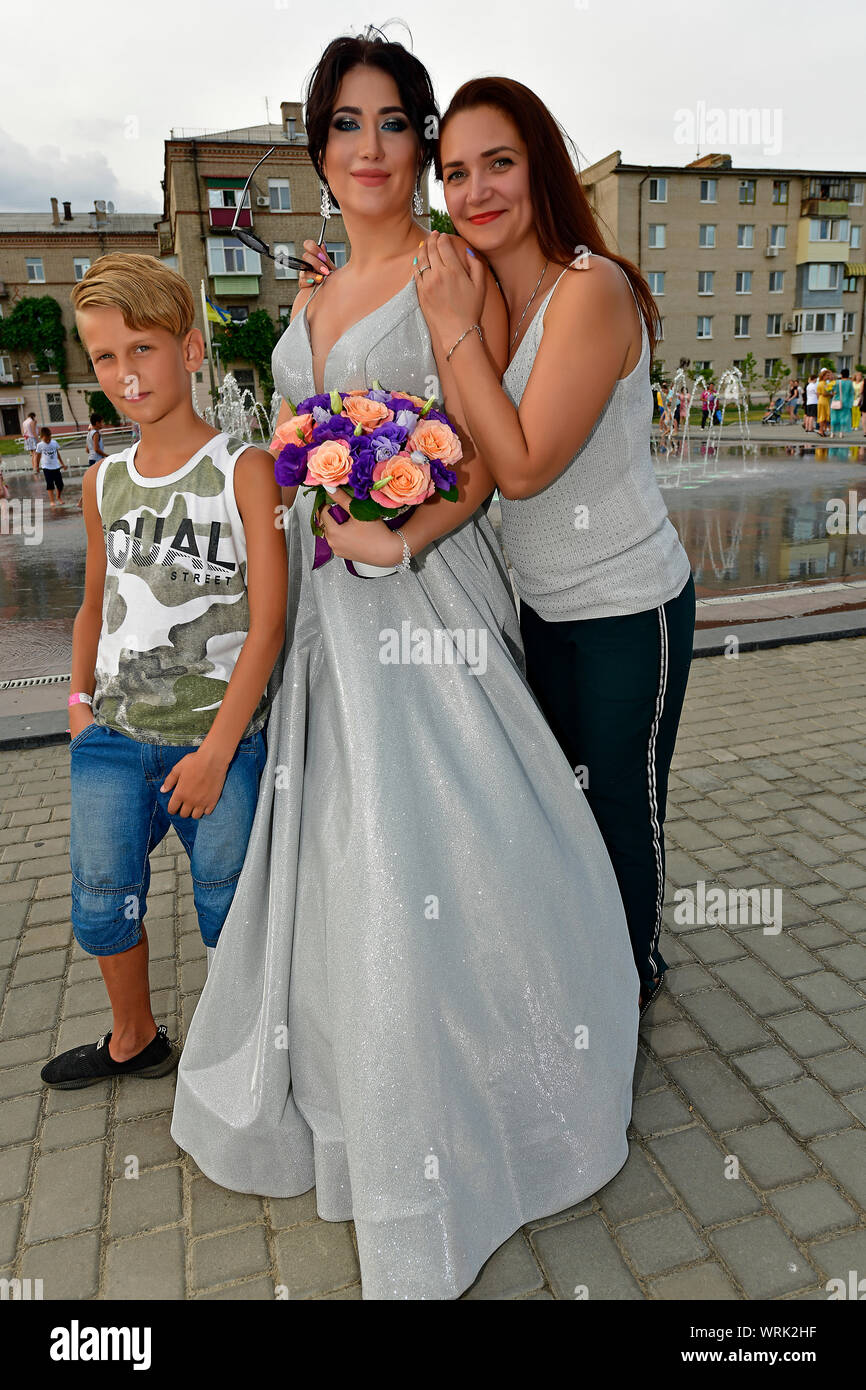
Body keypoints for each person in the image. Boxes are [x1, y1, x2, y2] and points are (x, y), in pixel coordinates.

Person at [171, 33, 639, 1302]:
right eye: (346, 126)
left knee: (445, 840)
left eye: (392, 125)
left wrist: (402, 533)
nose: (369, 149)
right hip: (332, 619)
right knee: (339, 842)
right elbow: (284, 443)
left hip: (424, 598)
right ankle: (345, 1080)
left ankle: (482, 1091)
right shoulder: (308, 298)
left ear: (412, 144)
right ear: (318, 147)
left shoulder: (451, 269)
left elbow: (485, 457)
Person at [419, 74, 695, 1016]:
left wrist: (453, 331)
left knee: (621, 799)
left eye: (499, 162)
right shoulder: (496, 295)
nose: (477, 190)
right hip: (545, 606)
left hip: (629, 604)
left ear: (541, 167)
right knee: (562, 797)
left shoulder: (593, 288)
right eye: (455, 174)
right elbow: (471, 448)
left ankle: (632, 981)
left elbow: (526, 464)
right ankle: (588, 968)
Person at [39, 252, 287, 1091]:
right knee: (103, 900)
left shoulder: (242, 471)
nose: (123, 374)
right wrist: (79, 709)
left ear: (188, 350)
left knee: (230, 906)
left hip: (214, 744)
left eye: (140, 349)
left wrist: (218, 751)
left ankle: (244, 1054)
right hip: (112, 736)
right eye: (105, 357)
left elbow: (266, 626)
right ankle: (134, 1038)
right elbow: (91, 604)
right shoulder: (104, 480)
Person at [78, 412, 108, 511]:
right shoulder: (96, 434)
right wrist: (107, 456)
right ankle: (84, 501)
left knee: (92, 481)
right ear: (97, 423)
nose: (103, 424)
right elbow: (96, 448)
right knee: (97, 480)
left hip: (91, 459)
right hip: (97, 460)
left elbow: (87, 449)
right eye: (101, 422)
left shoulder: (89, 433)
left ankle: (82, 501)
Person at [35, 426, 67, 506]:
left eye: (49, 438)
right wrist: (37, 466)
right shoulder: (40, 445)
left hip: (56, 466)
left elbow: (57, 454)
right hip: (46, 467)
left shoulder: (54, 443)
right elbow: (38, 456)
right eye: (46, 439)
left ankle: (58, 497)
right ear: (42, 437)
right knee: (50, 484)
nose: (48, 440)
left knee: (60, 484)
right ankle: (52, 501)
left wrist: (62, 464)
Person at [831, 367, 854, 436]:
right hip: (845, 403)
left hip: (836, 402)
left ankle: (832, 433)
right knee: (843, 418)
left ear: (841, 374)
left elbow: (830, 390)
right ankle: (841, 433)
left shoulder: (837, 382)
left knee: (834, 417)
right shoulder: (850, 383)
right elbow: (852, 393)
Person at [816, 367, 834, 437]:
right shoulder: (822, 383)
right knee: (822, 416)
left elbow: (818, 393)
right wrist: (831, 394)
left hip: (822, 400)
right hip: (823, 400)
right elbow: (824, 393)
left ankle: (822, 430)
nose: (828, 377)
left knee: (824, 416)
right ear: (823, 376)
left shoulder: (822, 383)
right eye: (827, 375)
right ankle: (821, 430)